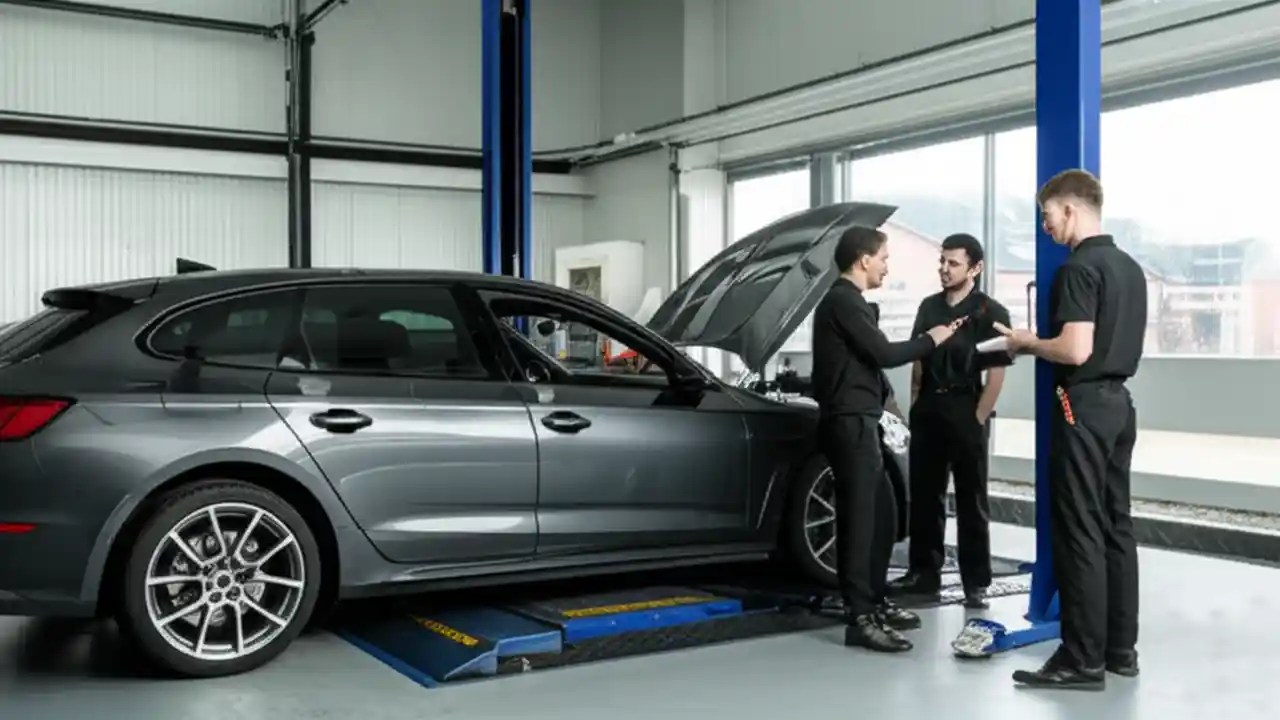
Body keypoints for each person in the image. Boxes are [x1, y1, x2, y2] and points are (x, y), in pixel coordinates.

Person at [996, 168, 1146, 690]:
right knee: (1115, 527)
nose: (1044, 224)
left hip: (1082, 403)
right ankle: (1120, 651)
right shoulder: (1129, 267)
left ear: (1071, 210)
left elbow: (1075, 349)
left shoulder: (1078, 269)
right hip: (1120, 405)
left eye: (1047, 213)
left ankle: (1082, 660)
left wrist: (1026, 342)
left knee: (1079, 529)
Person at [810, 224, 963, 653]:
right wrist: (929, 340)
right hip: (849, 423)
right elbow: (883, 354)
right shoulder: (843, 301)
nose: (885, 266)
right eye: (883, 258)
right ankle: (859, 617)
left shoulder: (853, 304)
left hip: (863, 420)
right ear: (863, 259)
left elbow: (865, 365)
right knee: (859, 522)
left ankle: (873, 601)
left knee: (880, 516)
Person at [887, 233, 1011, 610]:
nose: (944, 269)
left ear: (976, 268)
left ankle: (976, 582)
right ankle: (924, 574)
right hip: (929, 410)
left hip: (966, 409)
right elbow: (919, 360)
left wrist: (978, 417)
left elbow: (997, 374)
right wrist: (915, 405)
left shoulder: (991, 312)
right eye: (942, 261)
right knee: (925, 497)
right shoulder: (929, 307)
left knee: (972, 499)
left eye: (953, 263)